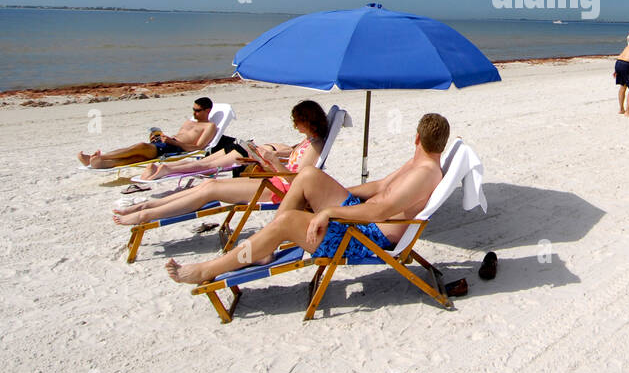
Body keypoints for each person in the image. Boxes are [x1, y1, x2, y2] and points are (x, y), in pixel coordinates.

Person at [165, 113, 451, 286]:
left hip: (369, 237)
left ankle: (205, 270)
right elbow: (379, 186)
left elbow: (382, 208)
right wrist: (335, 190)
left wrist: (328, 212)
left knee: (288, 220)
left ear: (416, 137)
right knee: (309, 175)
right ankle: (265, 247)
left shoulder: (423, 173)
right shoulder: (417, 163)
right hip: (364, 219)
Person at [112, 100, 328, 225]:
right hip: (273, 180)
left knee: (211, 190)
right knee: (207, 185)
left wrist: (272, 160)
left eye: (296, 121)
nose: (294, 126)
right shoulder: (307, 140)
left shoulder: (315, 145)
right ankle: (146, 205)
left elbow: (296, 180)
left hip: (278, 190)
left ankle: (146, 214)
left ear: (306, 120)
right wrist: (266, 159)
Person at [79, 98, 218, 169]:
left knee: (139, 146)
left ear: (207, 111)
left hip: (174, 148)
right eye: (193, 109)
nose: (194, 113)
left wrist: (172, 142)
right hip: (166, 143)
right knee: (138, 157)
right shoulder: (189, 121)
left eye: (198, 110)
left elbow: (199, 147)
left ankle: (100, 156)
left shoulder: (209, 126)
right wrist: (161, 137)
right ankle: (104, 163)